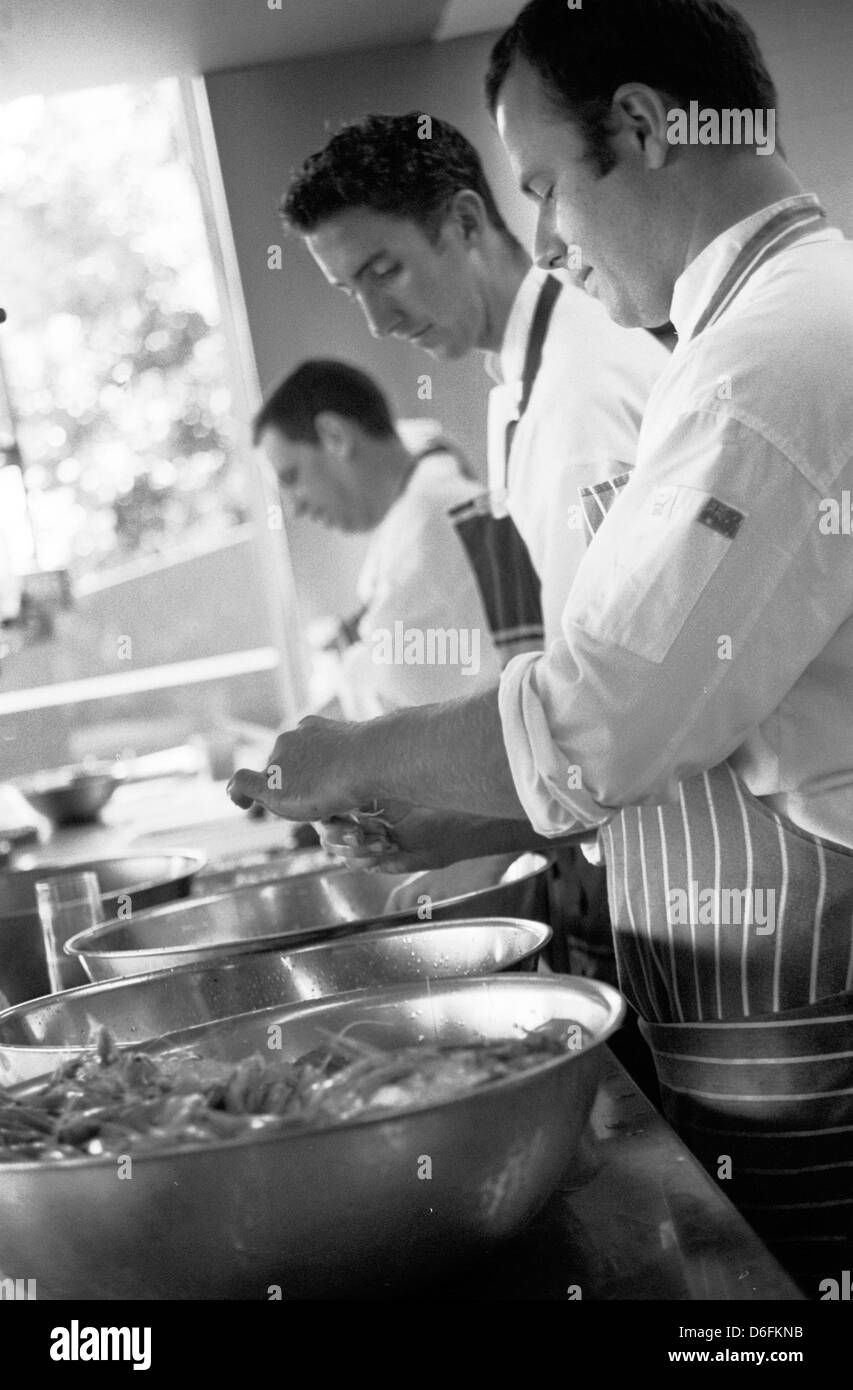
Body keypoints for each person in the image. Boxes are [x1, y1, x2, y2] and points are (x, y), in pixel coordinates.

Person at [231, 0, 853, 1296]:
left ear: (639, 126)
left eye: (544, 189)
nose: (553, 237)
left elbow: (616, 701)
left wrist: (354, 760)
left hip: (793, 906)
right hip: (733, 883)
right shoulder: (757, 322)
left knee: (785, 1281)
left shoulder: (756, 360)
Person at [282, 112, 669, 983]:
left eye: (384, 271)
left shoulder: (583, 382)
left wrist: (372, 758)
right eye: (351, 291)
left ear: (463, 222)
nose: (378, 320)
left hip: (708, 867)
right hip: (639, 847)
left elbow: (622, 701)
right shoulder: (519, 388)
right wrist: (471, 818)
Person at [254, 359, 502, 719]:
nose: (296, 509)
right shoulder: (423, 498)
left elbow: (392, 709)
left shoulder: (430, 527)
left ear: (335, 437)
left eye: (291, 477)